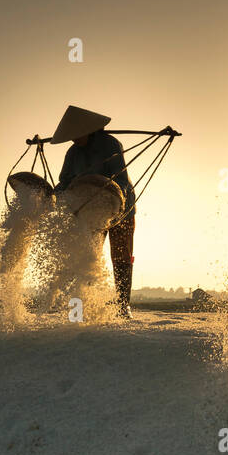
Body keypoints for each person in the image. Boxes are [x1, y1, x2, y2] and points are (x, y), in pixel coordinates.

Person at [49, 105, 138, 318]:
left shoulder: (110, 145)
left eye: (77, 135)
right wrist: (52, 195)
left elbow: (121, 180)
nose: (74, 140)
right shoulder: (73, 152)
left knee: (121, 256)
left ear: (88, 130)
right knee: (86, 257)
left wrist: (115, 203)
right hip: (90, 211)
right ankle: (79, 309)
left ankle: (123, 305)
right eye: (71, 137)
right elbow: (65, 181)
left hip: (119, 208)